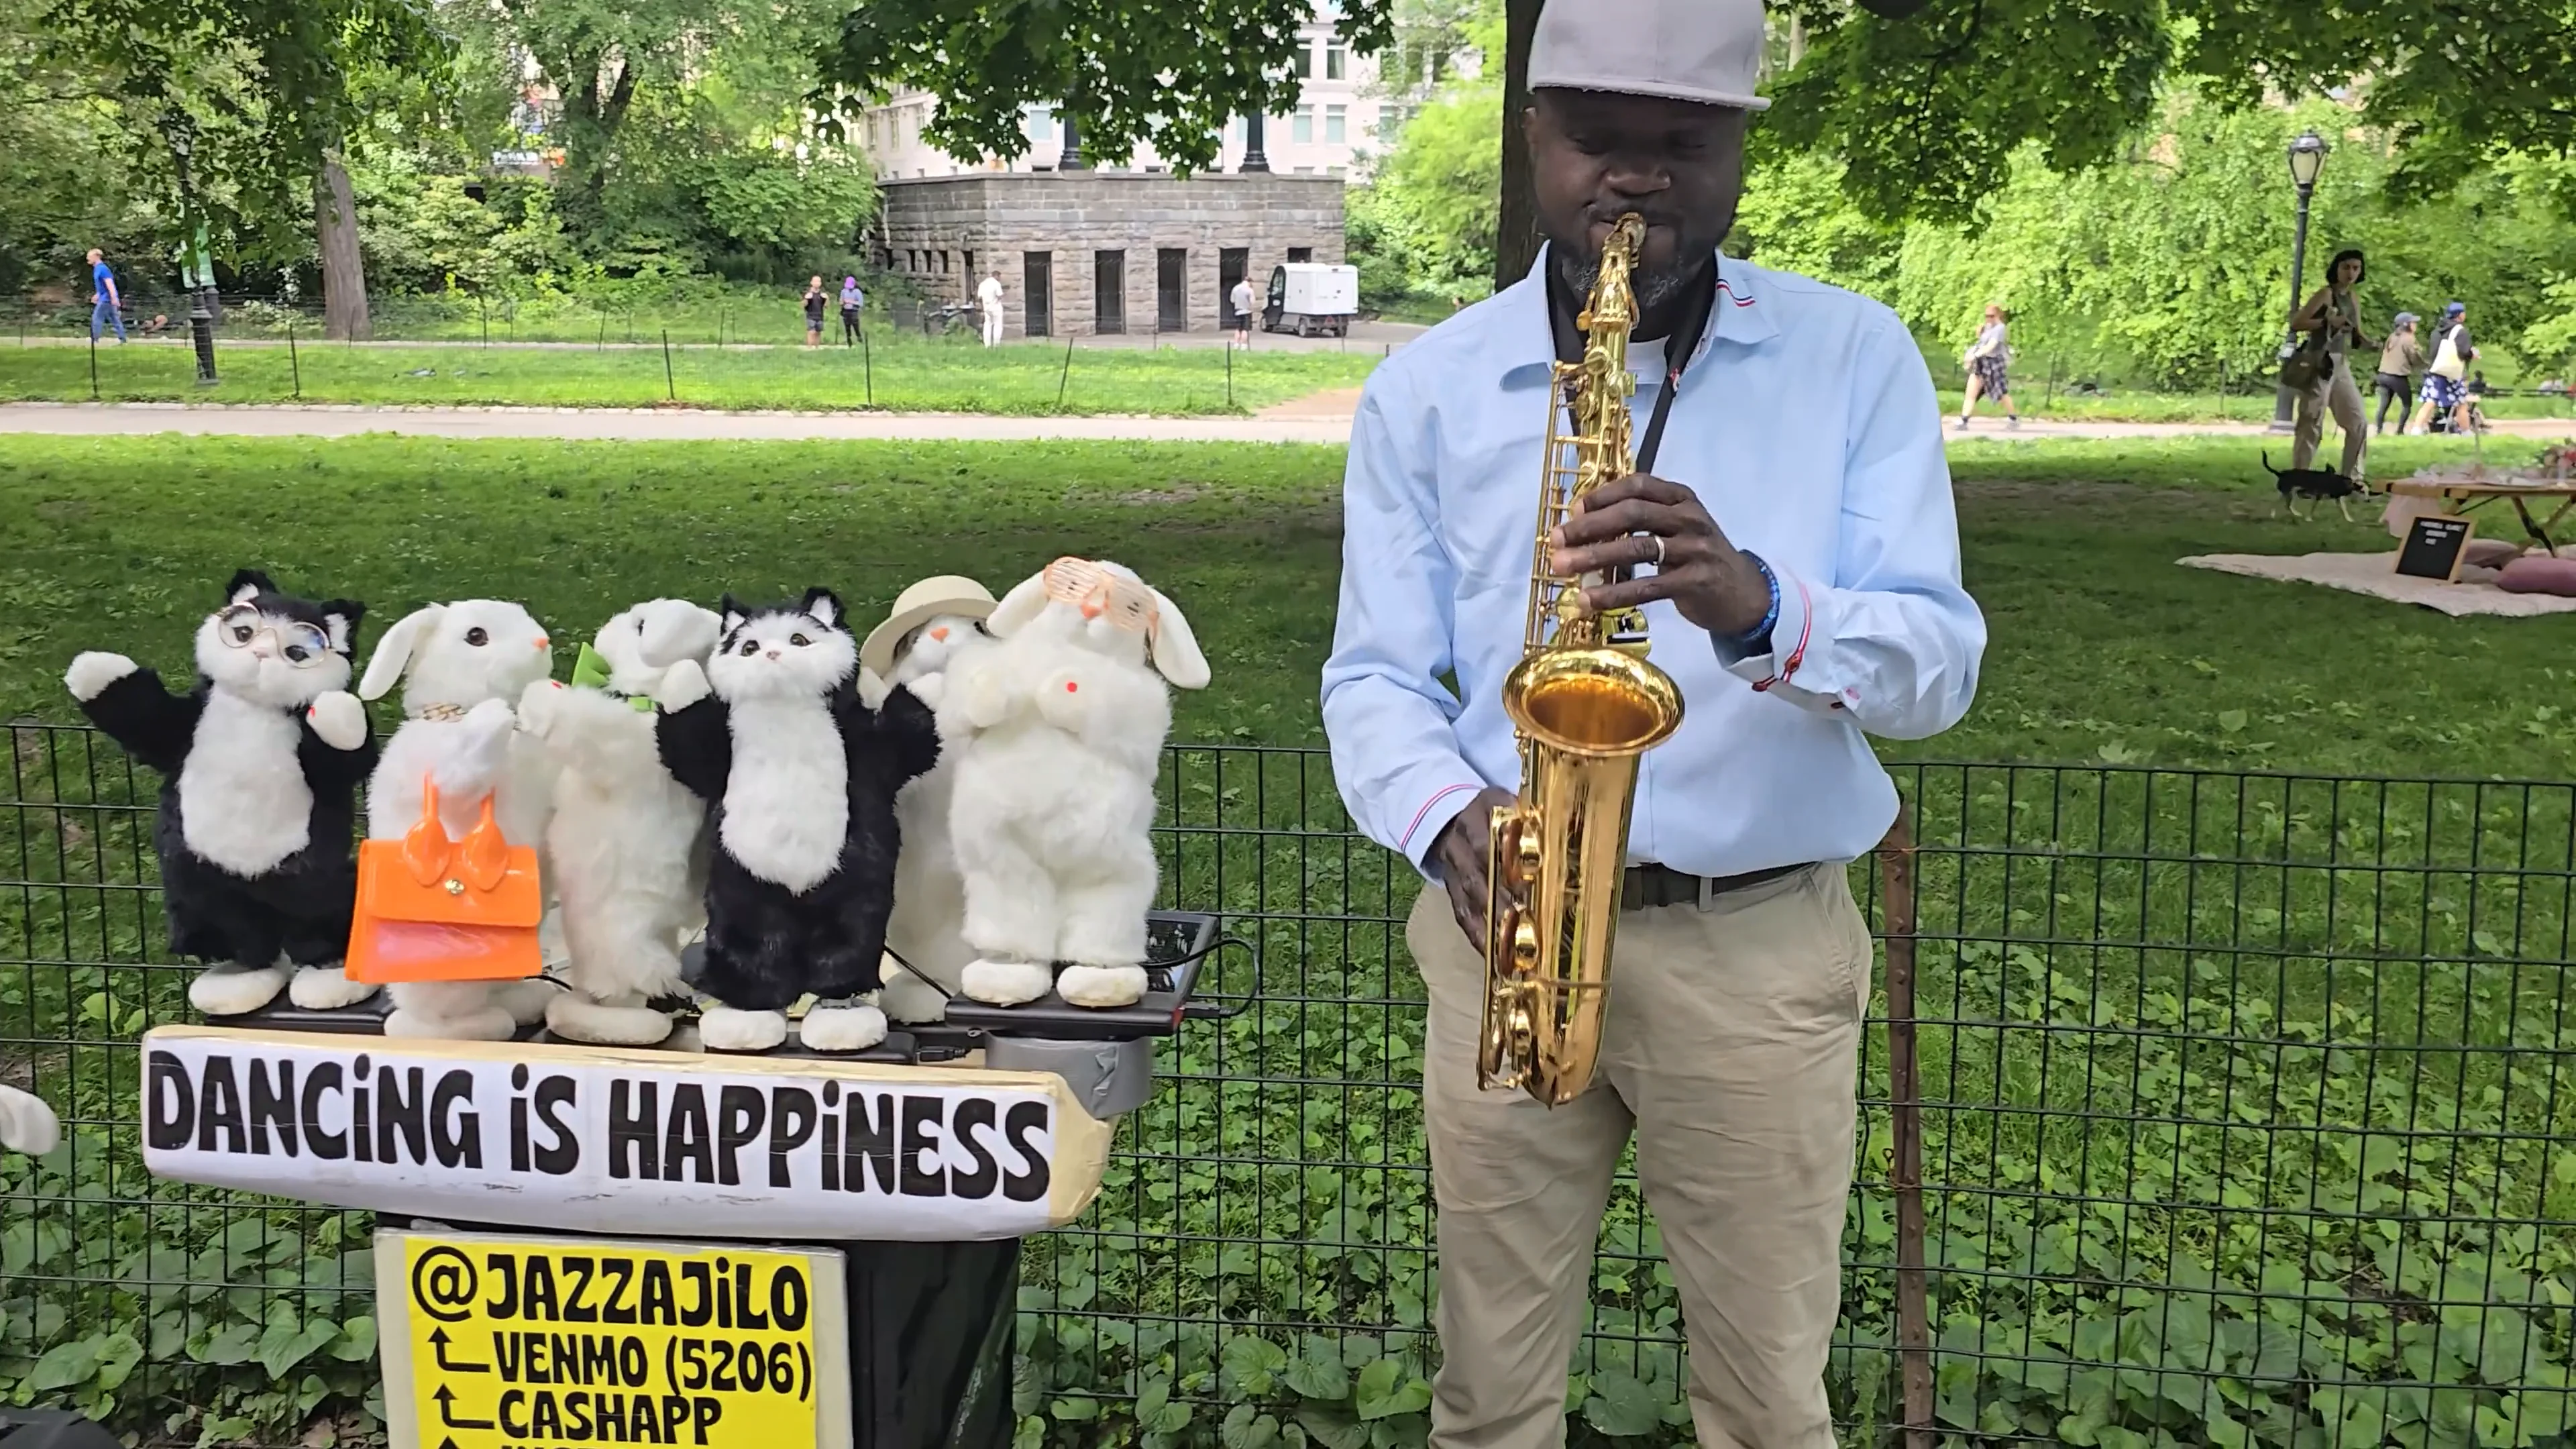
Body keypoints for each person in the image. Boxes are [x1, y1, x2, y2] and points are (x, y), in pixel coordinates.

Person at [1318, 0, 1985, 1444]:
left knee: (1766, 1398)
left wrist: (1756, 603)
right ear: (1537, 139)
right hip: (1503, 929)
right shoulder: (1427, 390)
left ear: (1739, 148)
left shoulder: (1855, 357)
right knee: (1487, 1391)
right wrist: (1446, 825)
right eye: (1599, 145)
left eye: (1681, 147)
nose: (1635, 183)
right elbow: (1372, 677)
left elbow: (1938, 666)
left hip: (1754, 947)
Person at [2286, 248, 2373, 481]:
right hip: (2319, 361)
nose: (2351, 273)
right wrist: (2326, 320)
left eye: (2356, 268)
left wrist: (2371, 344)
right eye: (2346, 267)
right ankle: (2301, 477)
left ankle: (2352, 479)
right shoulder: (2326, 294)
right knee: (2312, 420)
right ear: (2336, 269)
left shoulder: (2353, 298)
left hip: (2341, 363)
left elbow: (2357, 332)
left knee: (2358, 422)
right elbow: (2297, 323)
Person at [2409, 301, 2476, 435]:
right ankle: (2466, 432)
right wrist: (2472, 354)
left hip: (2436, 370)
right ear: (2460, 315)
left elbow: (2433, 351)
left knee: (2430, 401)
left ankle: (2416, 430)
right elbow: (2463, 352)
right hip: (2452, 373)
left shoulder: (2436, 331)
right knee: (2461, 402)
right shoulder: (2460, 331)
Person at [1956, 303, 2017, 429]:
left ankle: (2013, 419)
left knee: (2001, 393)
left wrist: (1976, 355)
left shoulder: (2000, 328)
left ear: (1998, 315)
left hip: (1993, 363)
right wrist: (1971, 355)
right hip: (1981, 363)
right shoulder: (1987, 327)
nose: (1988, 319)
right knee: (1971, 391)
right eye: (1986, 316)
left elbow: (1991, 345)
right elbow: (1981, 343)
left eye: (1991, 316)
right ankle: (1964, 421)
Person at [2373, 311, 2422, 435]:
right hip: (2397, 377)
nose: (2415, 325)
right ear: (2406, 325)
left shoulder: (2393, 336)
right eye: (2413, 323)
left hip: (2383, 374)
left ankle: (2378, 431)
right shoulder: (2408, 338)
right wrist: (2424, 366)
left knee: (2383, 404)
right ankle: (2399, 431)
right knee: (2407, 404)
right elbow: (2415, 357)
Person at [87, 248, 127, 343]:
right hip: (105, 296)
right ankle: (123, 338)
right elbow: (102, 286)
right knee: (114, 319)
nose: (87, 258)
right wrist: (97, 295)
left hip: (106, 299)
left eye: (89, 256)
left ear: (96, 256)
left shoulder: (103, 269)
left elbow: (110, 284)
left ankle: (94, 339)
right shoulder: (97, 269)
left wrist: (114, 298)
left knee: (97, 317)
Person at [976, 270, 1005, 347]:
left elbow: (979, 297)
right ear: (997, 276)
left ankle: (987, 345)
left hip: (987, 308)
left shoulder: (982, 284)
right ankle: (996, 344)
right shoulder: (996, 284)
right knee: (998, 325)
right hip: (996, 307)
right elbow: (999, 295)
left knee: (987, 325)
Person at [1230, 273, 1256, 345]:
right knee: (1245, 329)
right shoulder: (1250, 290)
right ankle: (1244, 345)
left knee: (1238, 328)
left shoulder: (1235, 288)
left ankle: (1236, 344)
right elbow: (1252, 302)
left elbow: (1232, 300)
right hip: (1246, 311)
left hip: (1237, 311)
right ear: (1250, 282)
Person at [802, 276, 826, 348]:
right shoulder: (808, 293)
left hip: (820, 316)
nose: (816, 283)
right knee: (811, 332)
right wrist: (806, 298)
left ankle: (817, 347)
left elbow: (826, 306)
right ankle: (809, 347)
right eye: (815, 281)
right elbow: (803, 305)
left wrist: (827, 299)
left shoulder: (822, 294)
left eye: (818, 281)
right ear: (811, 283)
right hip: (811, 315)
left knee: (818, 332)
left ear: (820, 283)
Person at [839, 275, 864, 345]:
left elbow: (861, 303)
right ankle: (849, 341)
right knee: (847, 327)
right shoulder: (843, 291)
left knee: (856, 326)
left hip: (854, 311)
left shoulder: (857, 292)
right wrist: (843, 302)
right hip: (846, 311)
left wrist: (850, 301)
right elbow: (841, 301)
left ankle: (859, 339)